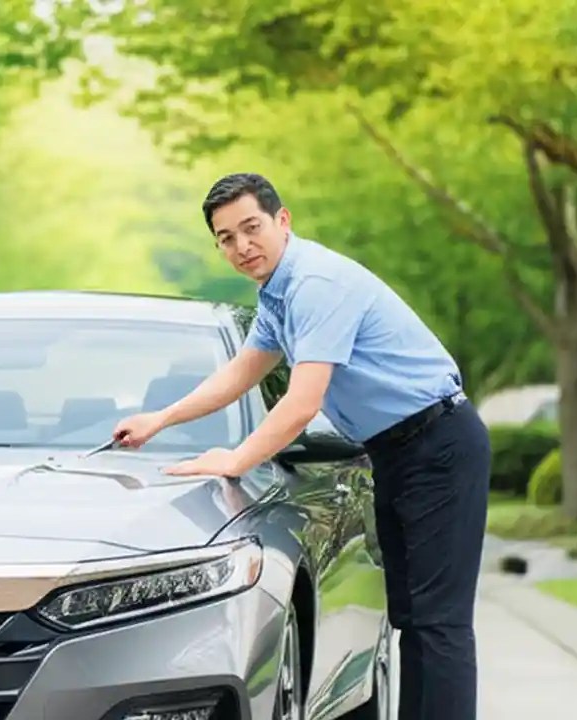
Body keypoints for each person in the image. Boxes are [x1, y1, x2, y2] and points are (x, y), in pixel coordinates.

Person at [112, 172, 490, 720]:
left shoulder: (315, 284)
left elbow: (302, 400)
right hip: (395, 453)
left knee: (442, 623)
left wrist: (238, 458)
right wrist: (160, 419)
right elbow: (242, 372)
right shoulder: (278, 294)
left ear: (281, 220)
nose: (241, 246)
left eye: (251, 228)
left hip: (438, 446)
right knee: (413, 619)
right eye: (226, 238)